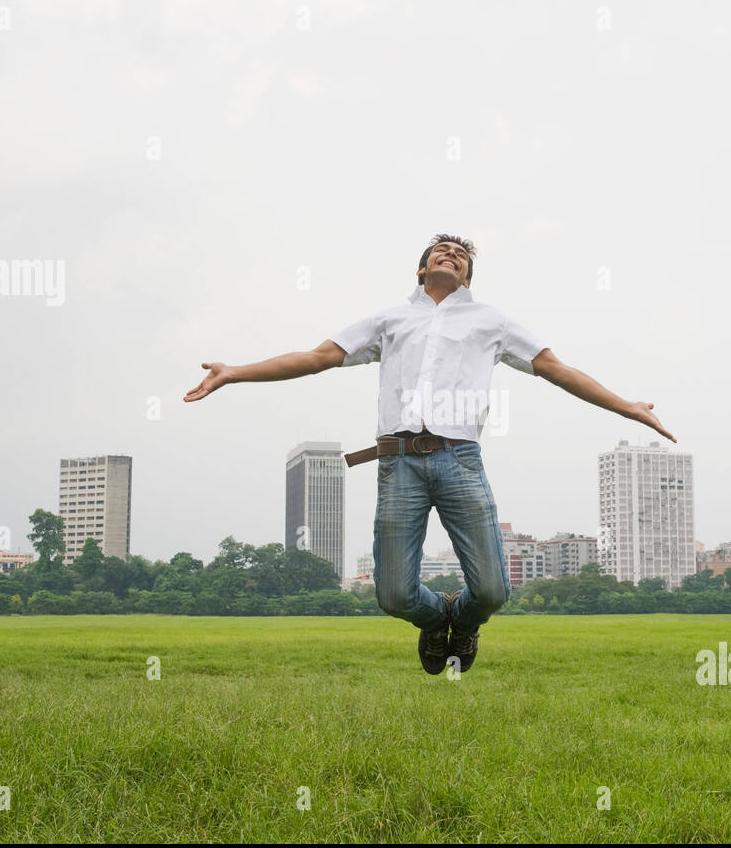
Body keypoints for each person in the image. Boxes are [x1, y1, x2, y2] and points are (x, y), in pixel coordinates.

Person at [184, 233, 677, 674]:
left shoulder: (492, 321)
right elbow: (316, 358)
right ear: (422, 268)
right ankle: (437, 617)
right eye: (442, 251)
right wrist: (235, 371)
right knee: (394, 596)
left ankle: (464, 622)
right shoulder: (389, 319)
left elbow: (558, 369)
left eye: (461, 256)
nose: (452, 256)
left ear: (467, 276)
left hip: (460, 460)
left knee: (492, 592)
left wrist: (626, 406)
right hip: (398, 463)